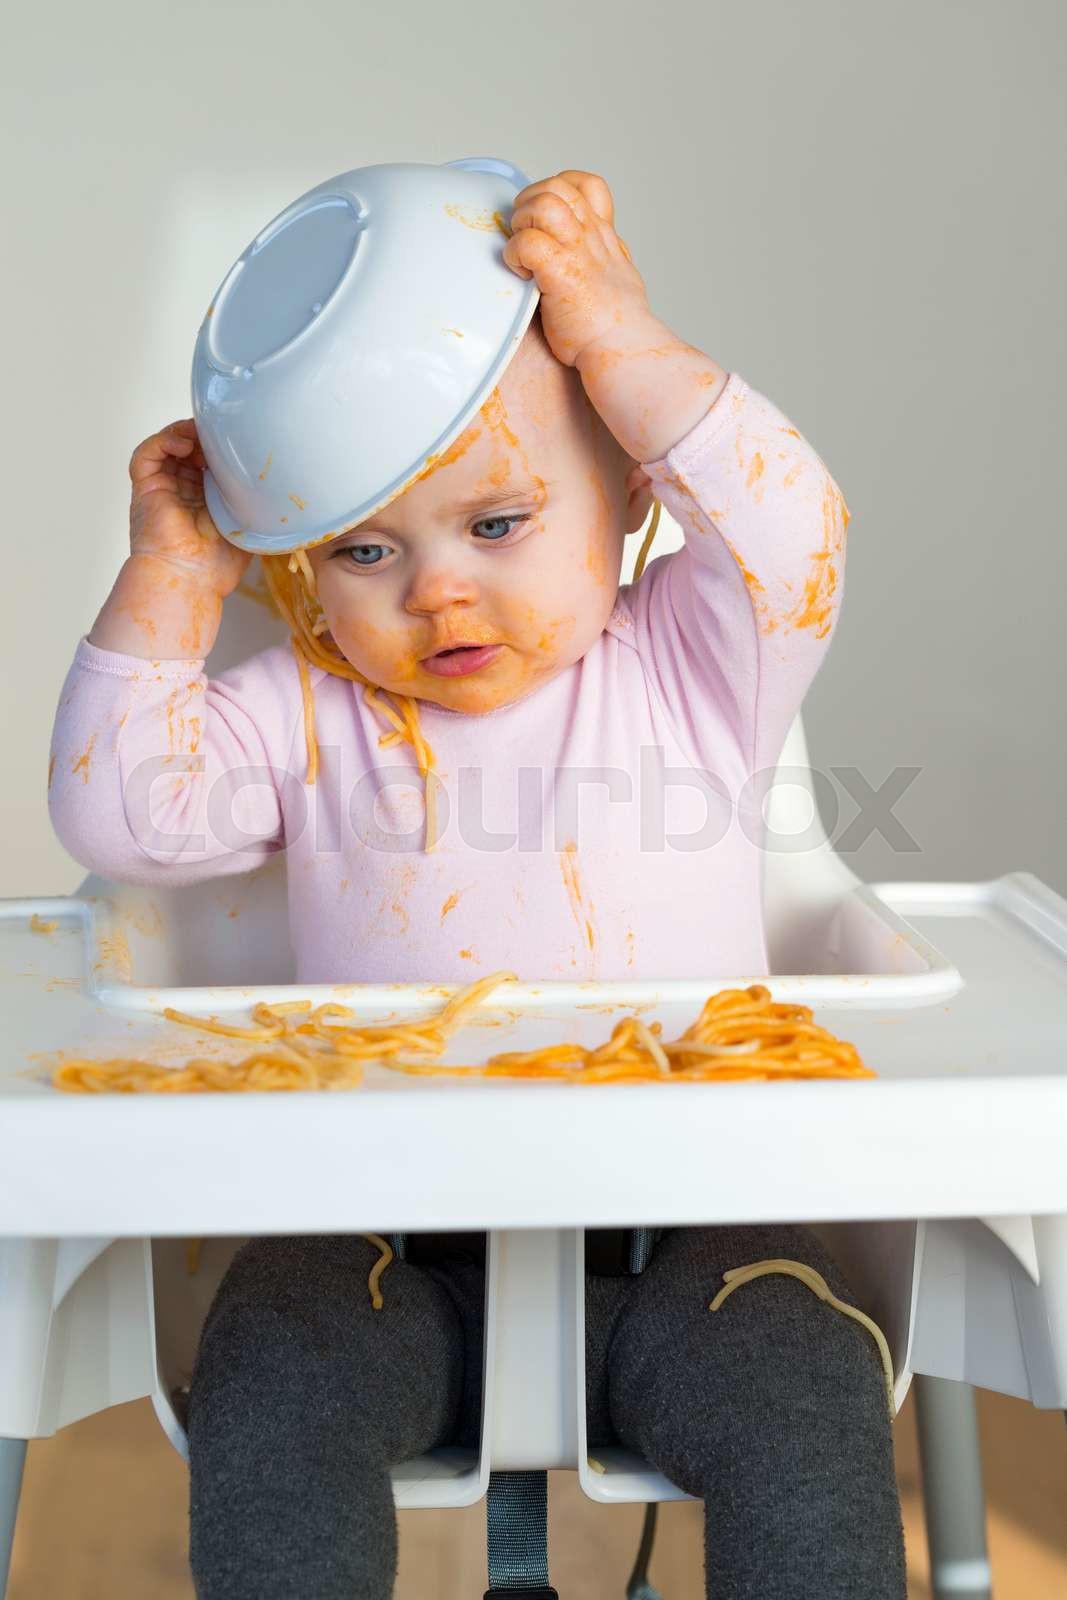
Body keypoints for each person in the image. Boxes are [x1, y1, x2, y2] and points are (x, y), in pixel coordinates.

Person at [47, 167, 906, 1597]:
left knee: (801, 1368)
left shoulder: (696, 665)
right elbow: (120, 816)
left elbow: (792, 524)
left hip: (691, 1244)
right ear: (304, 571)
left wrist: (620, 339)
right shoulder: (303, 709)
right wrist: (174, 581)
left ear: (631, 491)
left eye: (496, 525)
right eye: (364, 552)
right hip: (388, 1247)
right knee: (272, 1358)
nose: (435, 591)